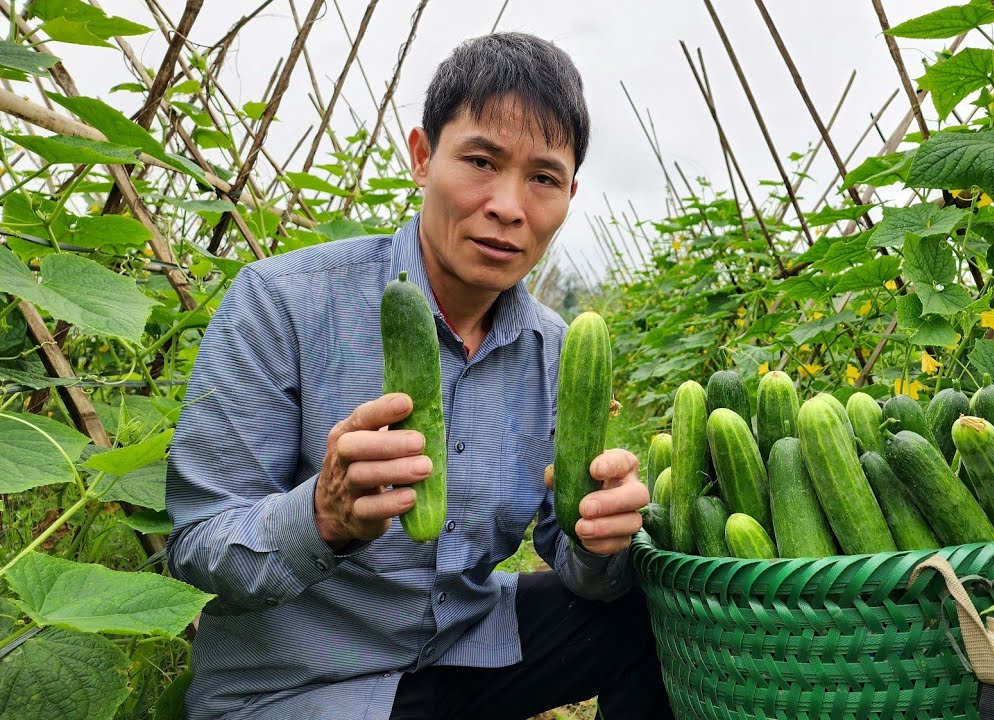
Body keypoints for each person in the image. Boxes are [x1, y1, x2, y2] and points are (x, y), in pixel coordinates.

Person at [165, 32, 674, 720]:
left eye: (543, 179)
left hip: (469, 646)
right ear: (422, 157)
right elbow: (196, 546)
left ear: (569, 194)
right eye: (481, 161)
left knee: (655, 614)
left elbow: (574, 560)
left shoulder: (555, 348)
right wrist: (321, 516)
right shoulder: (281, 301)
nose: (509, 206)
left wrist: (599, 542)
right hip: (302, 684)